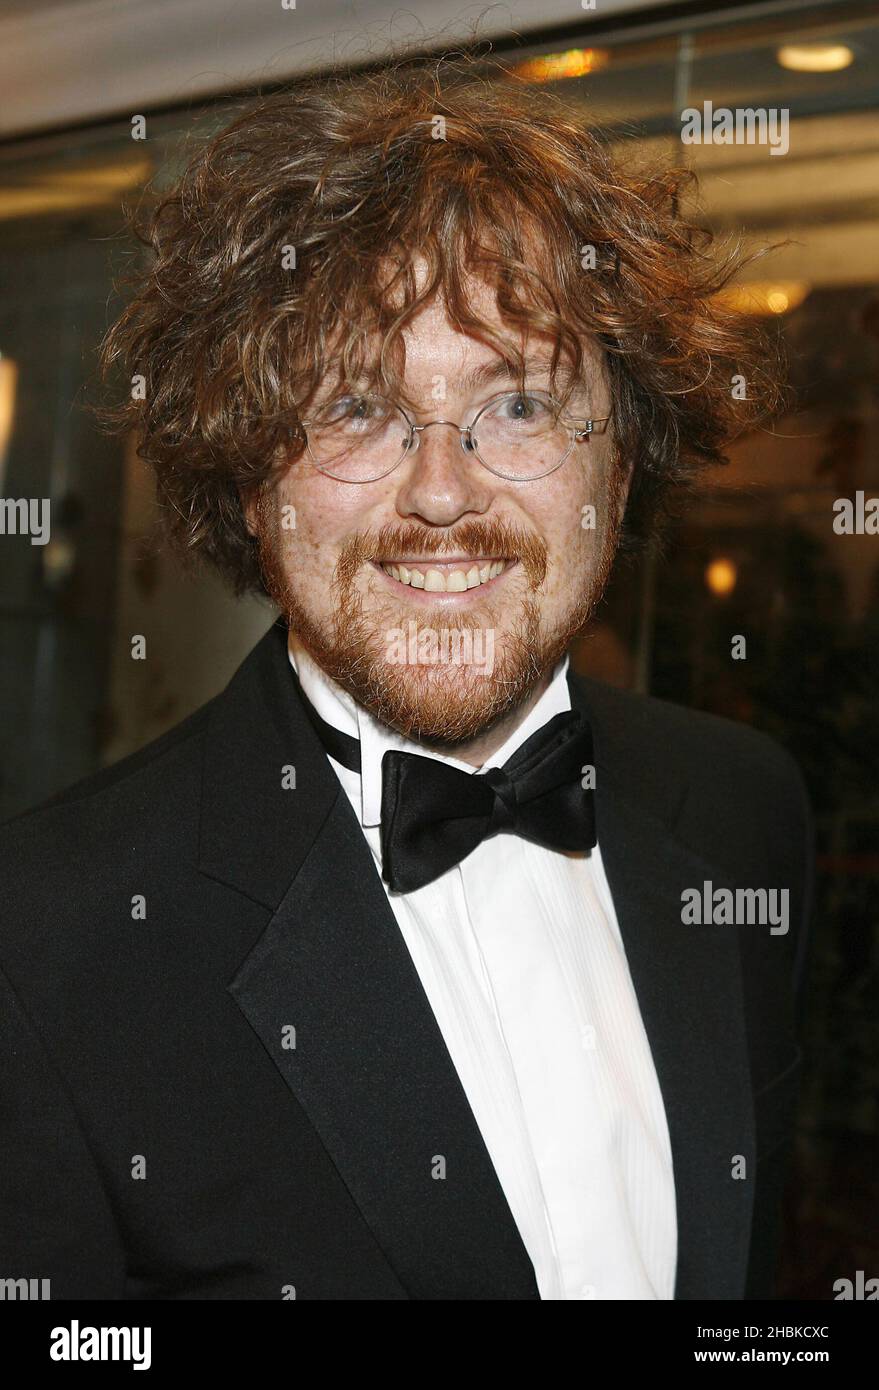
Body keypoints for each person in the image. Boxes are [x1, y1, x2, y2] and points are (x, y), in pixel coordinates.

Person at [0, 57, 813, 1300]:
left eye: (524, 404)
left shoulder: (744, 810)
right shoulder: (49, 944)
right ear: (248, 477)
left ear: (626, 460)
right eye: (357, 408)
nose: (443, 491)